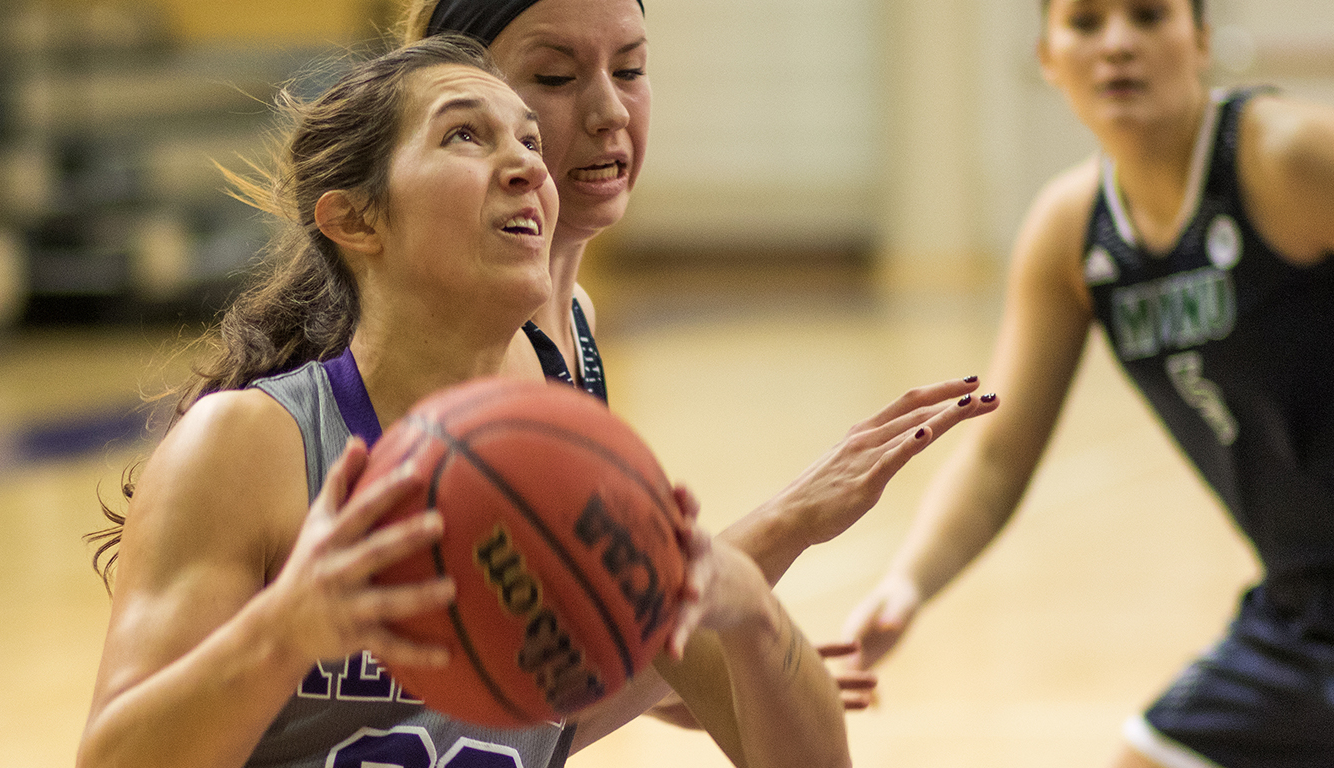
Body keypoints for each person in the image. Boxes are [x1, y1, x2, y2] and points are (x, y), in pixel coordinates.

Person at [79, 36, 859, 768]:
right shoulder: (252, 444)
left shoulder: (567, 470)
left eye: (527, 142)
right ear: (355, 218)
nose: (527, 168)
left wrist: (752, 608)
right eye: (464, 136)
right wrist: (285, 633)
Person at [396, 0, 999, 715]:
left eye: (631, 69)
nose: (609, 111)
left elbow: (571, 634)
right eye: (555, 77)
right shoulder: (475, 349)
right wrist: (791, 519)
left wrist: (716, 678)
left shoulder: (573, 317)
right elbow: (517, 711)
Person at [840, 0, 1334, 765]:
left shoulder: (1288, 155)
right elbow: (1000, 455)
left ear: (1200, 41)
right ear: (1046, 57)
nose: (1117, 46)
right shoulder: (1070, 230)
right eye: (1086, 23)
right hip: (1302, 605)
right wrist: (910, 583)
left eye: (1146, 16)